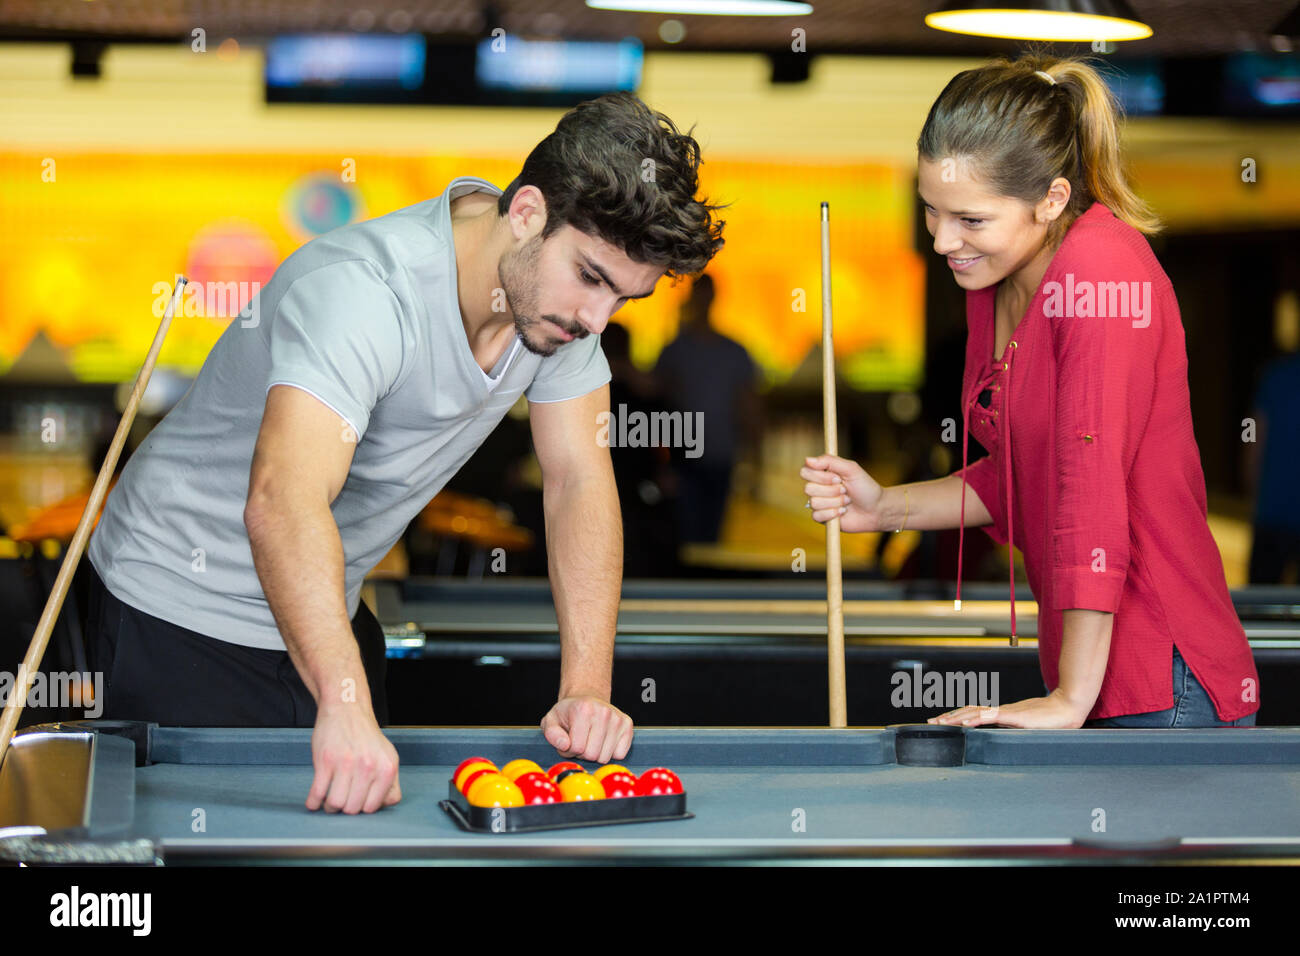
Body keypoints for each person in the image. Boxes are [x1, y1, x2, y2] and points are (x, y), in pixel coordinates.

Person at [85, 91, 725, 813]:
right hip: (176, 608)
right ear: (526, 214)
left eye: (623, 301)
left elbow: (577, 480)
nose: (596, 320)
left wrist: (585, 688)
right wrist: (344, 699)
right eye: (591, 278)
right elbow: (283, 499)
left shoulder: (557, 320)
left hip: (326, 606)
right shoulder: (362, 293)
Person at [802, 54, 1258, 729]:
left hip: (1162, 676)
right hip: (1095, 669)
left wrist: (1069, 698)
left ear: (1051, 198)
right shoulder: (996, 283)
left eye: (971, 220)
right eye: (932, 212)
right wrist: (884, 506)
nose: (943, 240)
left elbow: (1090, 485)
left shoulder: (1102, 271)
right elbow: (1019, 477)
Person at [654, 274, 759, 543]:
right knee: (686, 534)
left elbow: (749, 409)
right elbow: (659, 405)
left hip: (720, 456)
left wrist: (755, 461)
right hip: (684, 459)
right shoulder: (675, 350)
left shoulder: (734, 352)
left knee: (708, 536)